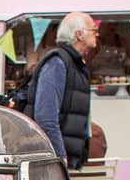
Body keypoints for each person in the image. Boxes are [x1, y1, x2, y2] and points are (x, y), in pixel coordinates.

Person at [22, 12, 97, 171]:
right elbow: (46, 117)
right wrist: (59, 156)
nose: (97, 33)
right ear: (79, 34)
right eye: (93, 30)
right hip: (52, 160)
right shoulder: (57, 63)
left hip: (64, 157)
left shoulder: (74, 63)